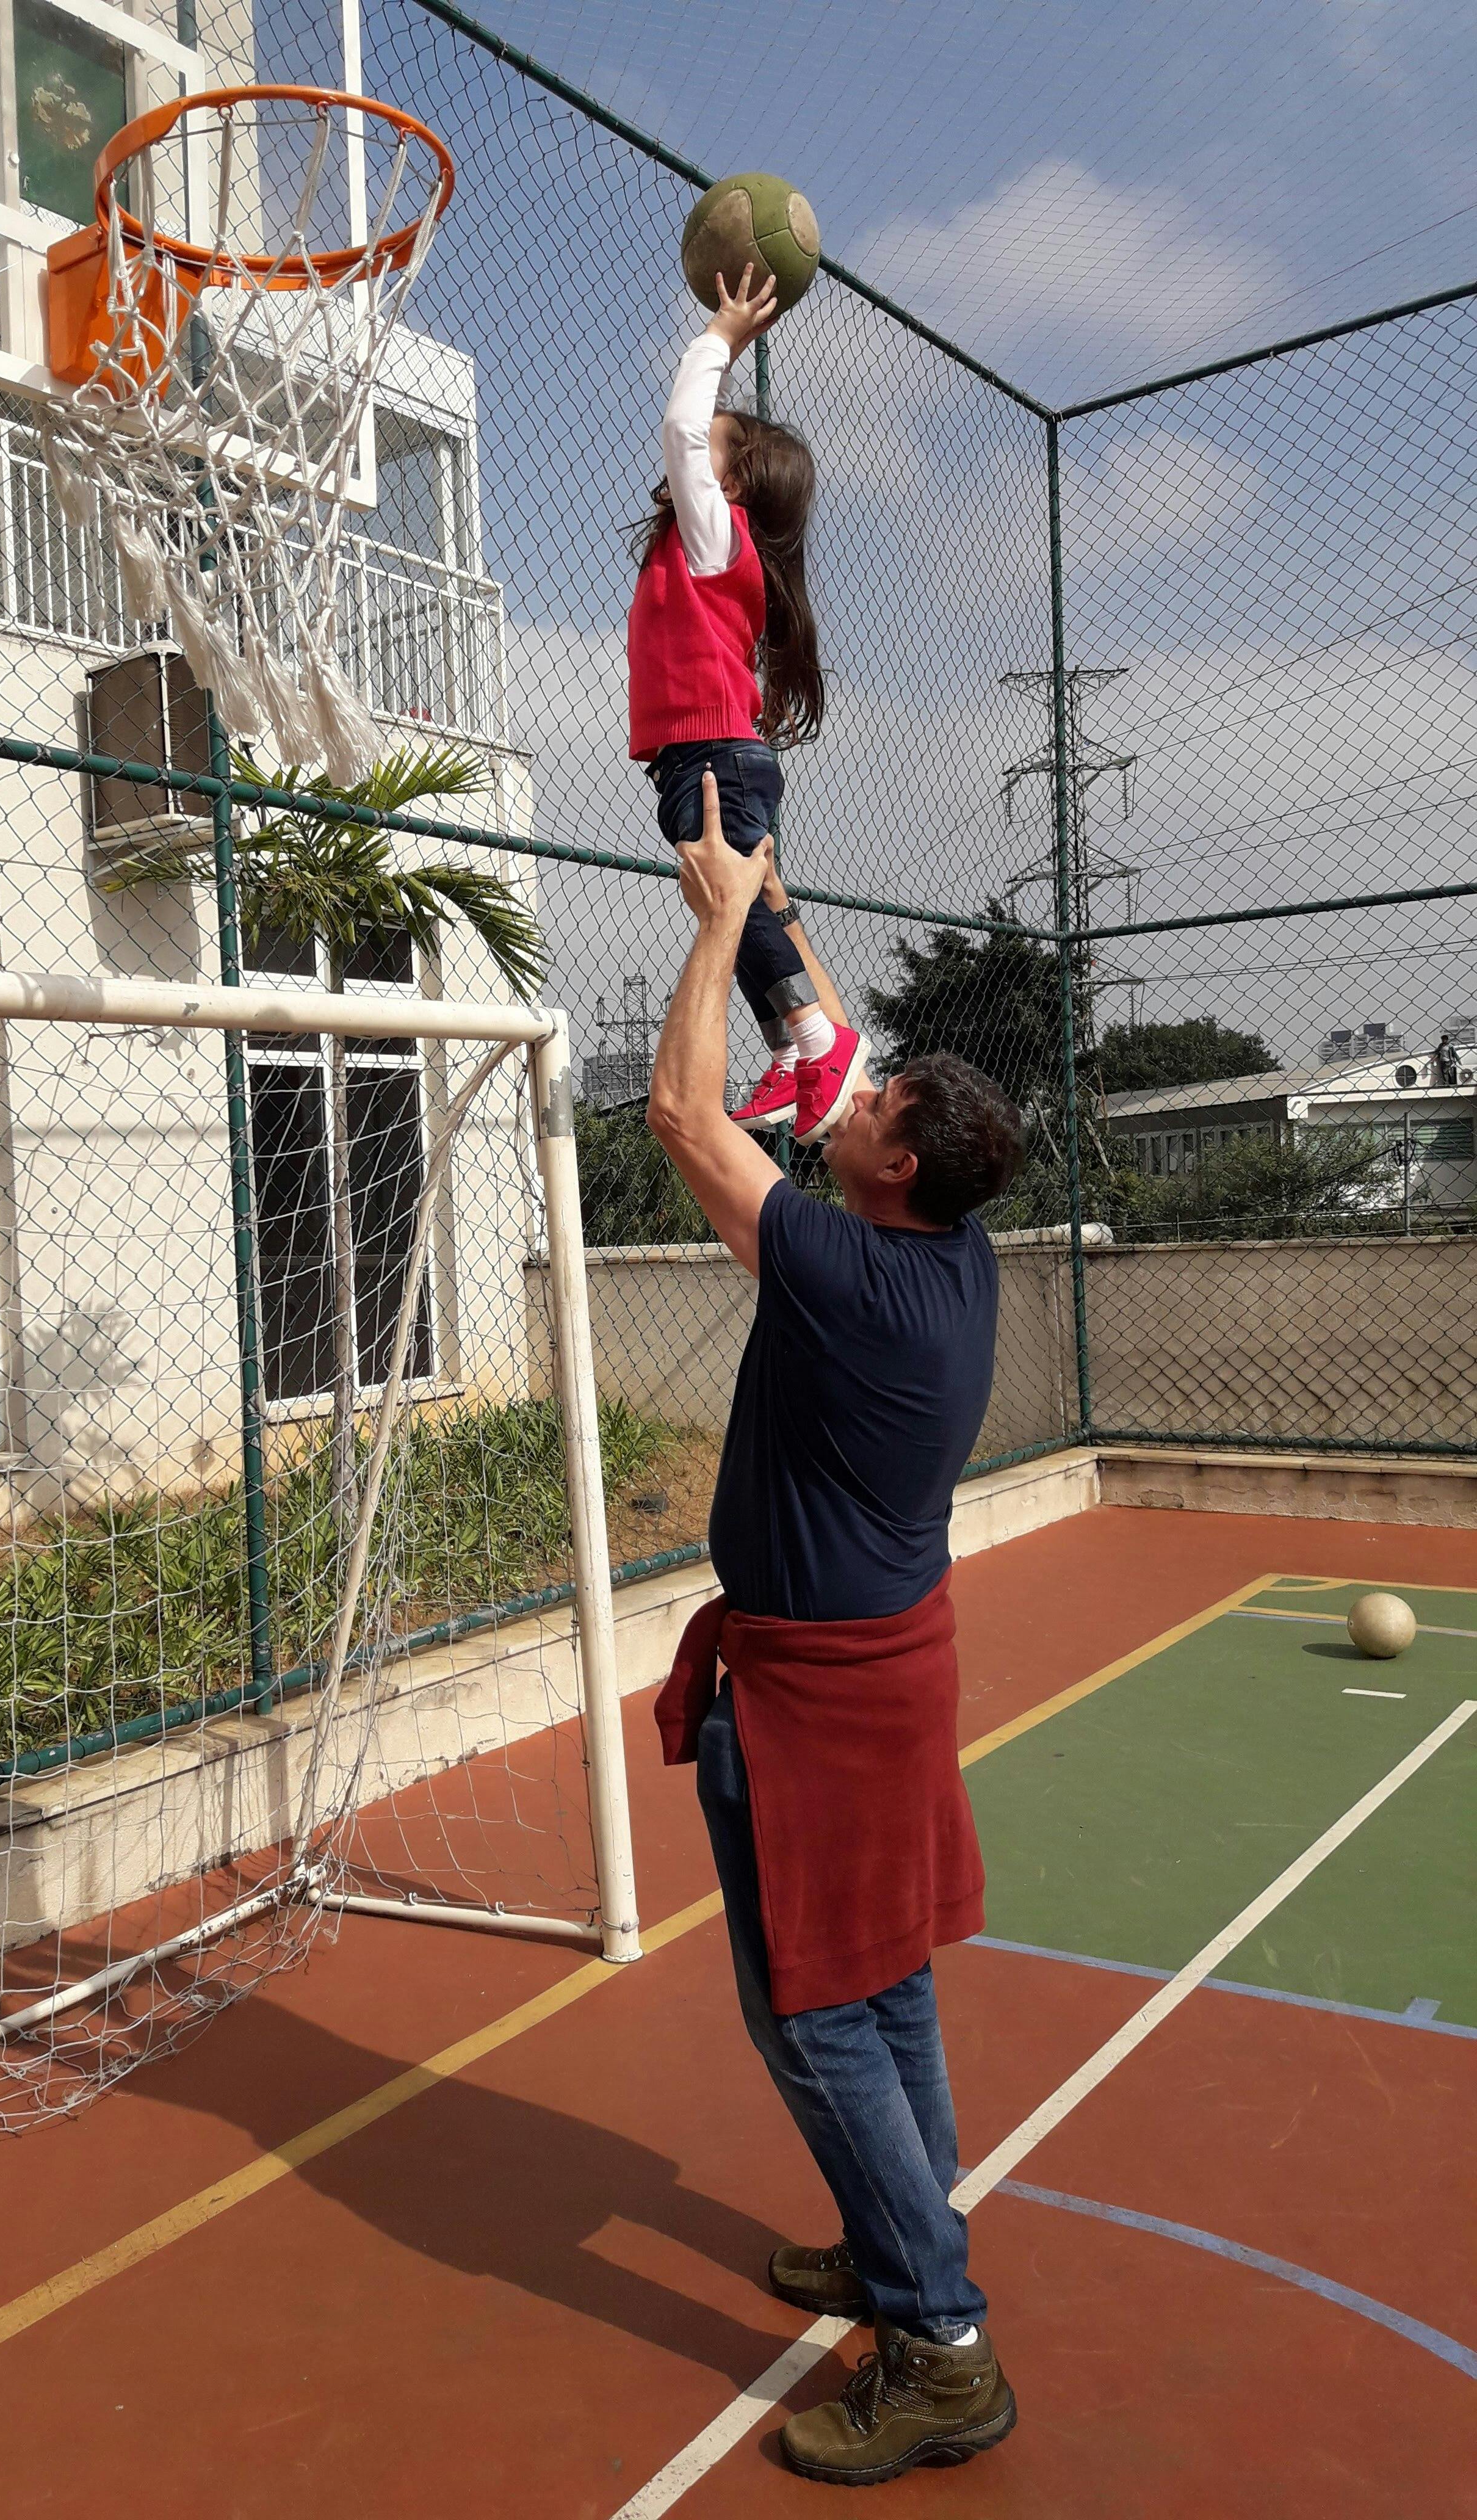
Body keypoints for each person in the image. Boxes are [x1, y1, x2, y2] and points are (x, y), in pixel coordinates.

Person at [646, 776, 1027, 2489]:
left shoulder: (852, 1277)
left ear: (888, 1168)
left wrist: (722, 924)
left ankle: (938, 2345)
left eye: (872, 1100)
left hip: (819, 1699)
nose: (849, 1087)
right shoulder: (941, 1252)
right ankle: (895, 2253)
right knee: (887, 1992)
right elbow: (825, 1043)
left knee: (814, 2011)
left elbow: (677, 1112)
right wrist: (764, 889)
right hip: (876, 1671)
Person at [627, 263, 866, 1146]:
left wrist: (720, 340)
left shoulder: (716, 536)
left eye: (713, 450)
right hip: (709, 754)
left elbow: (684, 425)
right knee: (735, 909)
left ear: (730, 486)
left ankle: (817, 1041)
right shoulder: (709, 550)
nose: (690, 453)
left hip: (712, 754)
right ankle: (796, 1050)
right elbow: (693, 439)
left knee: (729, 907)